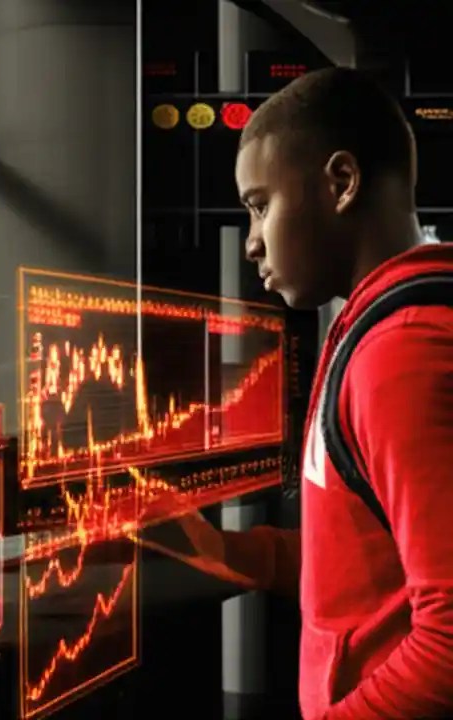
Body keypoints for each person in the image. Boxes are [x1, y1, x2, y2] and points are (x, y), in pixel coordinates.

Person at [154, 66, 453, 719]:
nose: (253, 243)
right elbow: (373, 567)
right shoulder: (371, 332)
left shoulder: (399, 357)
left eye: (260, 205)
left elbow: (448, 641)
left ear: (340, 183)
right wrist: (232, 552)